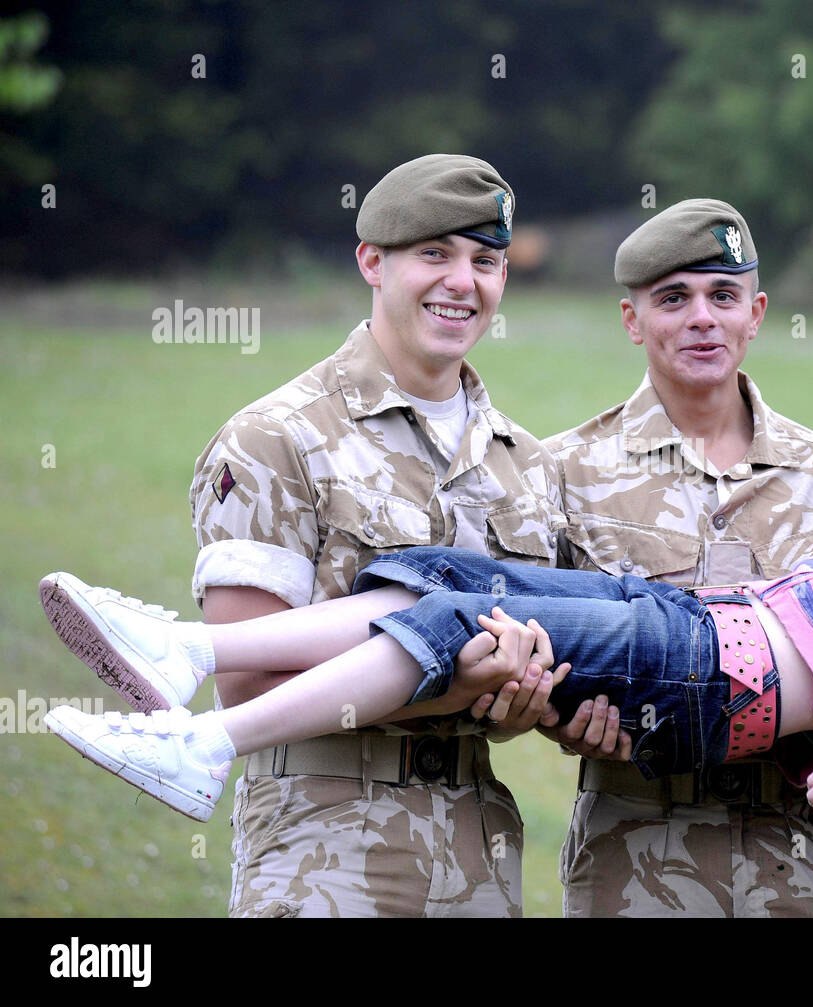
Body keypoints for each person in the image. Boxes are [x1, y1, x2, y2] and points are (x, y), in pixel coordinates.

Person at [43, 440, 813, 853]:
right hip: (704, 628)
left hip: (724, 677)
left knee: (467, 626)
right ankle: (185, 645)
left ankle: (210, 743)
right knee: (454, 570)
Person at [181, 154, 569, 917]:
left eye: (486, 261)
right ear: (371, 262)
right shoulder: (276, 437)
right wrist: (458, 687)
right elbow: (245, 682)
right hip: (323, 847)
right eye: (435, 253)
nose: (464, 281)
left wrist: (524, 704)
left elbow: (538, 673)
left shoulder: (526, 464)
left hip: (478, 851)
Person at [543, 199, 813, 917]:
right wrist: (560, 716)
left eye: (722, 296)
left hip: (802, 863)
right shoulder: (566, 472)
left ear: (754, 313)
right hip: (633, 859)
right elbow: (538, 655)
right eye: (674, 298)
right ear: (633, 320)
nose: (703, 318)